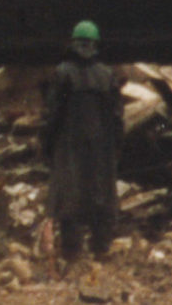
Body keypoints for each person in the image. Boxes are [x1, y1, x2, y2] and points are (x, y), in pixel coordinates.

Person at [42, 20, 123, 264]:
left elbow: (53, 114)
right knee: (102, 197)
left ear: (73, 43)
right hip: (102, 148)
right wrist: (115, 148)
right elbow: (118, 118)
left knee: (70, 201)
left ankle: (72, 252)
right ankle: (101, 249)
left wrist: (46, 144)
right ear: (96, 45)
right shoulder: (107, 75)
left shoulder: (62, 73)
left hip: (69, 148)